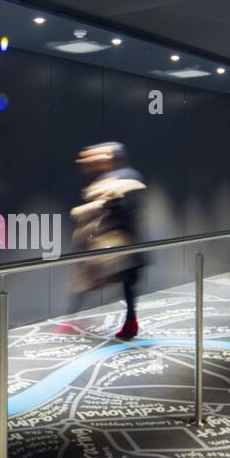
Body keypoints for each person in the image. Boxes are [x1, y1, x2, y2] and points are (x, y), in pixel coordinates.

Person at [70, 142, 145, 340]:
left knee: (123, 284)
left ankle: (130, 322)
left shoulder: (128, 176)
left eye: (106, 158)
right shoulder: (110, 178)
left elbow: (126, 207)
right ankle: (129, 321)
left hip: (123, 242)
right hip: (115, 241)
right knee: (120, 283)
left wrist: (107, 200)